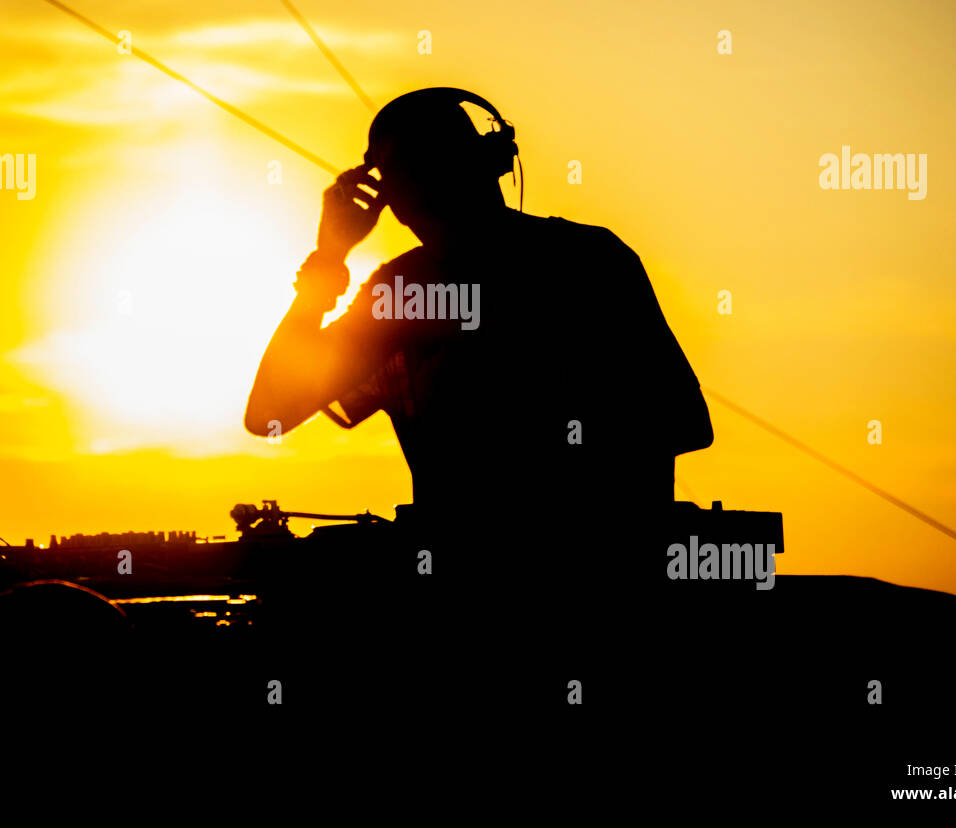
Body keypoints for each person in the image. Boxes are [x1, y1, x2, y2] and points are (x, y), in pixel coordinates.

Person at [246, 88, 712, 692]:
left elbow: (681, 420)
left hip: (595, 601)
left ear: (484, 163)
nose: (413, 194)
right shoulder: (400, 294)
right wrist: (327, 262)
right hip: (461, 598)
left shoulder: (586, 263)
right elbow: (271, 413)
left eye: (423, 169)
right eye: (403, 176)